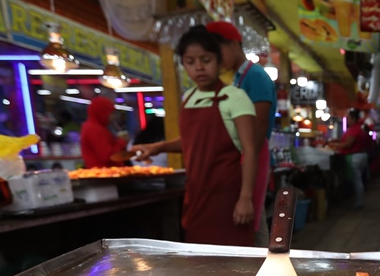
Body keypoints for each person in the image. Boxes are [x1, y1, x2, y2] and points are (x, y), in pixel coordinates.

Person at [131, 26, 257, 246]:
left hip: (228, 195)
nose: (199, 67)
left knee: (233, 263)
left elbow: (251, 149)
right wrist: (158, 147)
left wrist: (246, 198)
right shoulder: (189, 97)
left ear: (218, 60)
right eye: (190, 61)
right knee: (198, 258)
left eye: (205, 59)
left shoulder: (235, 97)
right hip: (197, 195)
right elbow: (194, 142)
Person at [206, 21, 277, 246]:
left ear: (235, 45)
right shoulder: (238, 77)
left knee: (250, 218)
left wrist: (246, 165)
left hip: (253, 153)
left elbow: (256, 131)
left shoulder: (255, 76)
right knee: (253, 221)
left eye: (218, 51)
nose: (216, 59)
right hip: (245, 155)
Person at [328, 108, 369, 209]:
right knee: (357, 180)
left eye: (349, 118)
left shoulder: (355, 130)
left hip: (355, 157)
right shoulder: (355, 129)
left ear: (354, 119)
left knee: (356, 180)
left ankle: (359, 203)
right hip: (358, 156)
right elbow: (344, 140)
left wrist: (333, 146)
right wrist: (335, 141)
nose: (347, 120)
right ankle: (357, 201)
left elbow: (347, 145)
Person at [80, 97, 128, 168]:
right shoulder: (96, 130)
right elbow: (107, 156)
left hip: (99, 172)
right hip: (105, 174)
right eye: (111, 113)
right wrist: (121, 142)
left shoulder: (91, 127)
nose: (113, 117)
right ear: (102, 112)